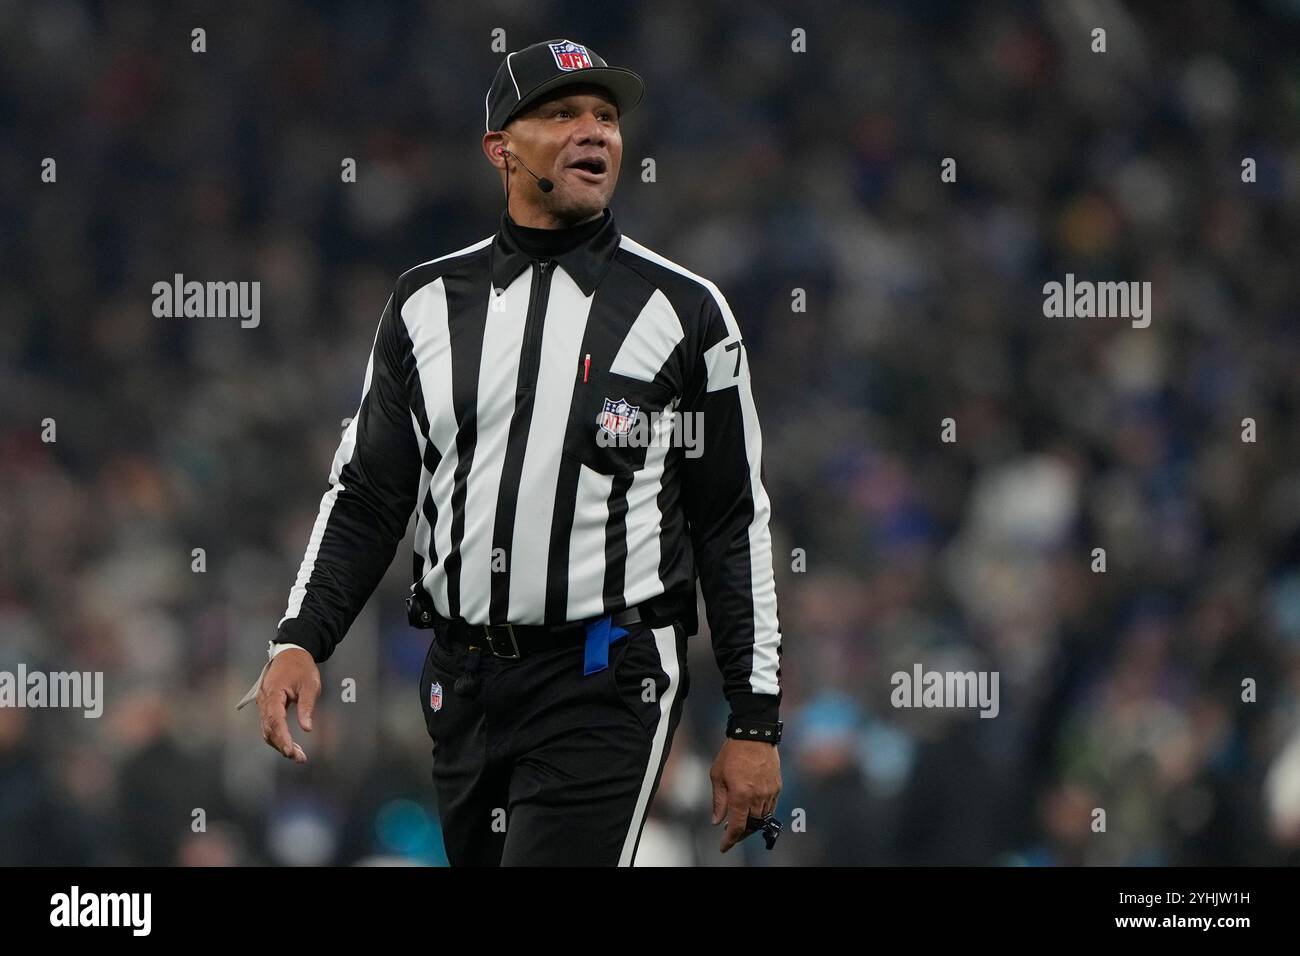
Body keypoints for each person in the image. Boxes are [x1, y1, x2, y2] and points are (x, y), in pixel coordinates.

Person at [239, 37, 784, 865]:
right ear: (499, 148)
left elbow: (730, 523)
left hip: (607, 674)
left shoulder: (687, 312)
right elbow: (370, 493)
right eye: (562, 114)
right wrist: (301, 637)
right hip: (464, 679)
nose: (593, 132)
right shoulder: (424, 303)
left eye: (605, 116)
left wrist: (753, 719)